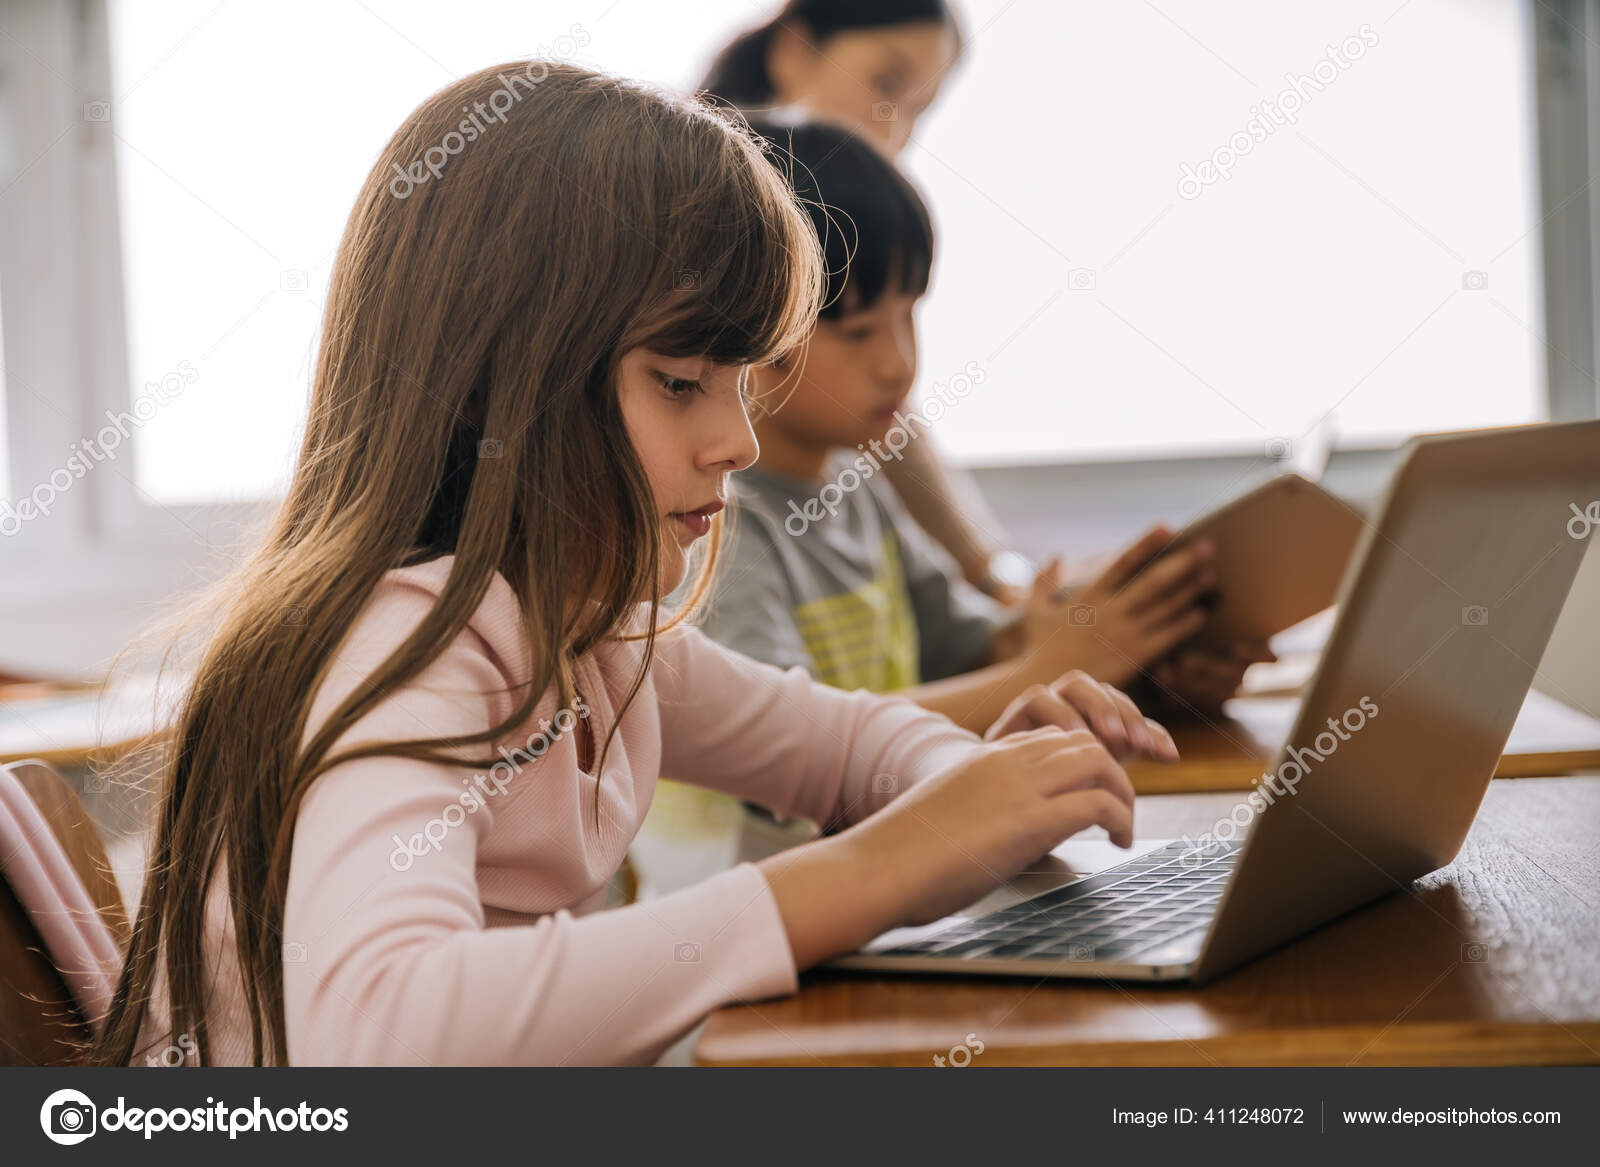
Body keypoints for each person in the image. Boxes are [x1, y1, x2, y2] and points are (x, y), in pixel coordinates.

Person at [90, 64, 1176, 1068]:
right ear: (495, 386)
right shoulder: (404, 651)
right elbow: (381, 1029)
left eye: (742, 382)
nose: (738, 442)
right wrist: (876, 869)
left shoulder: (595, 635)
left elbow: (850, 747)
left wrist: (973, 786)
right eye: (681, 383)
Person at [700, 3, 1271, 712]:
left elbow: (976, 646)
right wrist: (1045, 667)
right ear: (752, 336)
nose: (899, 366)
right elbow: (798, 747)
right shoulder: (718, 529)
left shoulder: (858, 488)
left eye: (910, 317)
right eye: (860, 332)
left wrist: (1121, 648)